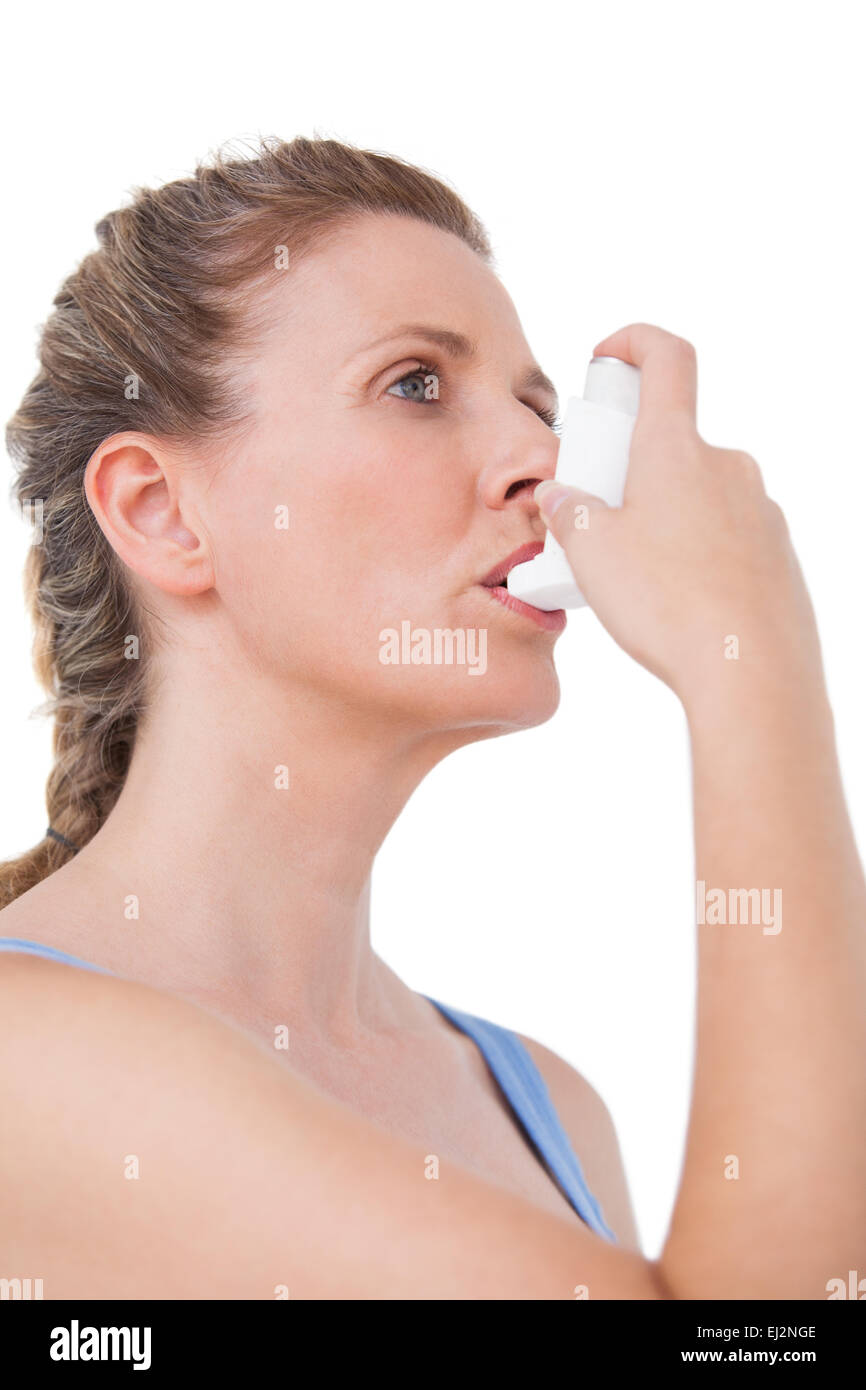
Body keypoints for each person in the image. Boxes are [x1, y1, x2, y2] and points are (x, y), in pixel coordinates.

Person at [0, 136, 863, 1300]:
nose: (543, 462)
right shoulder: (30, 1061)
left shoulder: (543, 1105)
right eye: (415, 384)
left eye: (538, 406)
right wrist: (750, 654)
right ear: (160, 513)